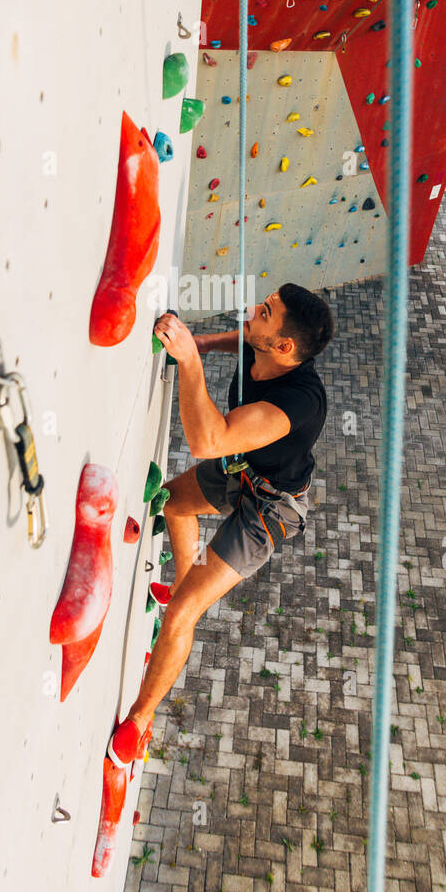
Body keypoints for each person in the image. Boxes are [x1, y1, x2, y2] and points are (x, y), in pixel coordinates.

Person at [108, 283, 333, 766]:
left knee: (183, 614)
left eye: (266, 311)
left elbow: (208, 440)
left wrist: (190, 362)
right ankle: (186, 578)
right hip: (243, 469)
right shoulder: (267, 347)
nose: (253, 310)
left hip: (270, 509)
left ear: (284, 347)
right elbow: (244, 338)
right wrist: (205, 343)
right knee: (172, 504)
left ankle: (140, 721)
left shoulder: (295, 405)